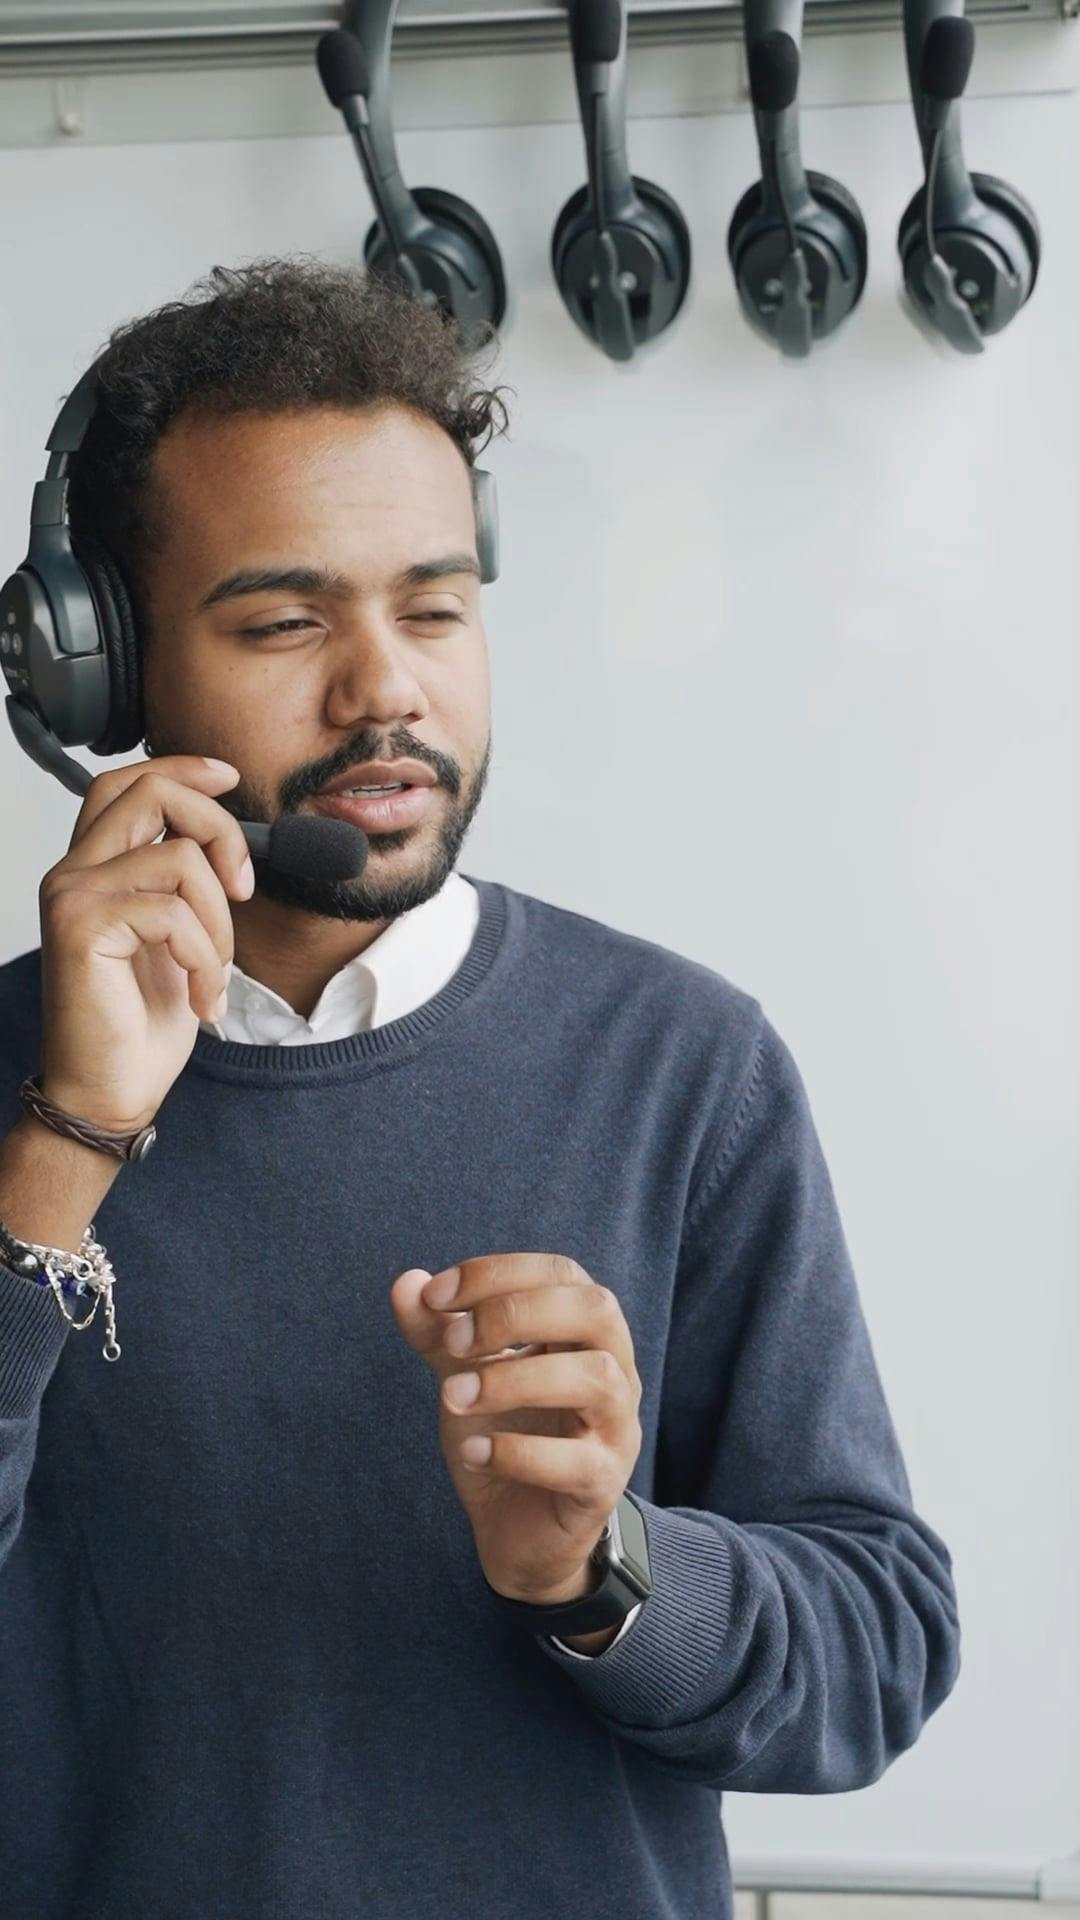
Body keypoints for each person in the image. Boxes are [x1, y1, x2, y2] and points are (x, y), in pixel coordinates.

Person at [0, 256, 960, 1919]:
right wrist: (66, 1148)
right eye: (288, 620)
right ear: (103, 675)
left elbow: (878, 1653)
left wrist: (602, 1572)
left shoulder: (683, 1066)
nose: (388, 689)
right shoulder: (17, 1087)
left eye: (434, 606)